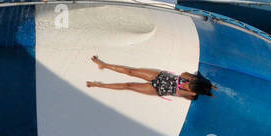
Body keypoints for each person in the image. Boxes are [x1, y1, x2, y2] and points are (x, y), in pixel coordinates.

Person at [86, 55, 214, 100]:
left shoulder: (190, 94)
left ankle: (99, 84)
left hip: (157, 89)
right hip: (161, 76)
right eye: (188, 83)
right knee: (131, 71)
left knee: (128, 86)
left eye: (188, 87)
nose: (185, 85)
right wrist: (192, 80)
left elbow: (181, 93)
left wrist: (191, 90)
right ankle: (104, 65)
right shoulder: (190, 79)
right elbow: (183, 74)